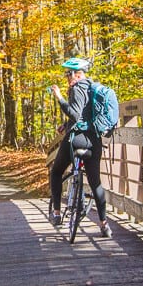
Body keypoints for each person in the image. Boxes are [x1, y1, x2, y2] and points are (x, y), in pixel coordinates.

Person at [49, 57, 112, 238]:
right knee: (95, 183)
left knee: (56, 172)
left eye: (68, 74)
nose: (67, 77)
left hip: (78, 139)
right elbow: (84, 113)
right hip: (94, 140)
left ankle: (57, 214)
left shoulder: (76, 89)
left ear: (77, 74)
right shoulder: (92, 88)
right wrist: (65, 124)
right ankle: (104, 224)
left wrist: (60, 97)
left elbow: (76, 114)